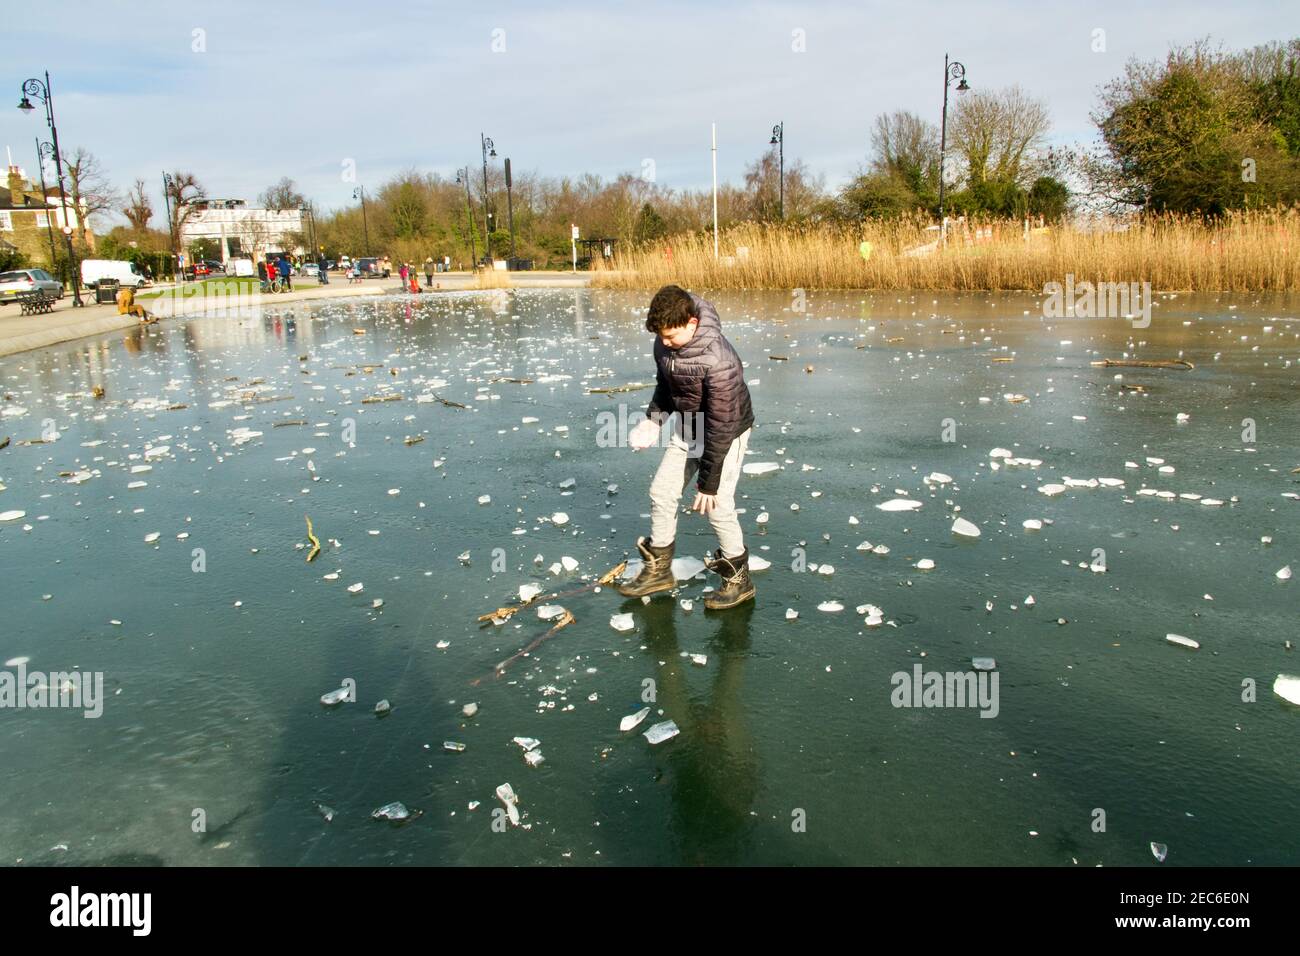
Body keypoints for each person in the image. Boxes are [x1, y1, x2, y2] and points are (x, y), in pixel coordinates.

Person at [618, 285, 756, 610]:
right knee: (662, 492)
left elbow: (721, 429)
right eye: (661, 337)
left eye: (671, 337)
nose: (665, 344)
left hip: (727, 430)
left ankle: (739, 580)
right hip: (690, 424)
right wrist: (653, 421)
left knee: (718, 504)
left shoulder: (720, 360)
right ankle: (660, 572)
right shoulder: (665, 342)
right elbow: (667, 386)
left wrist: (708, 484)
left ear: (692, 324)